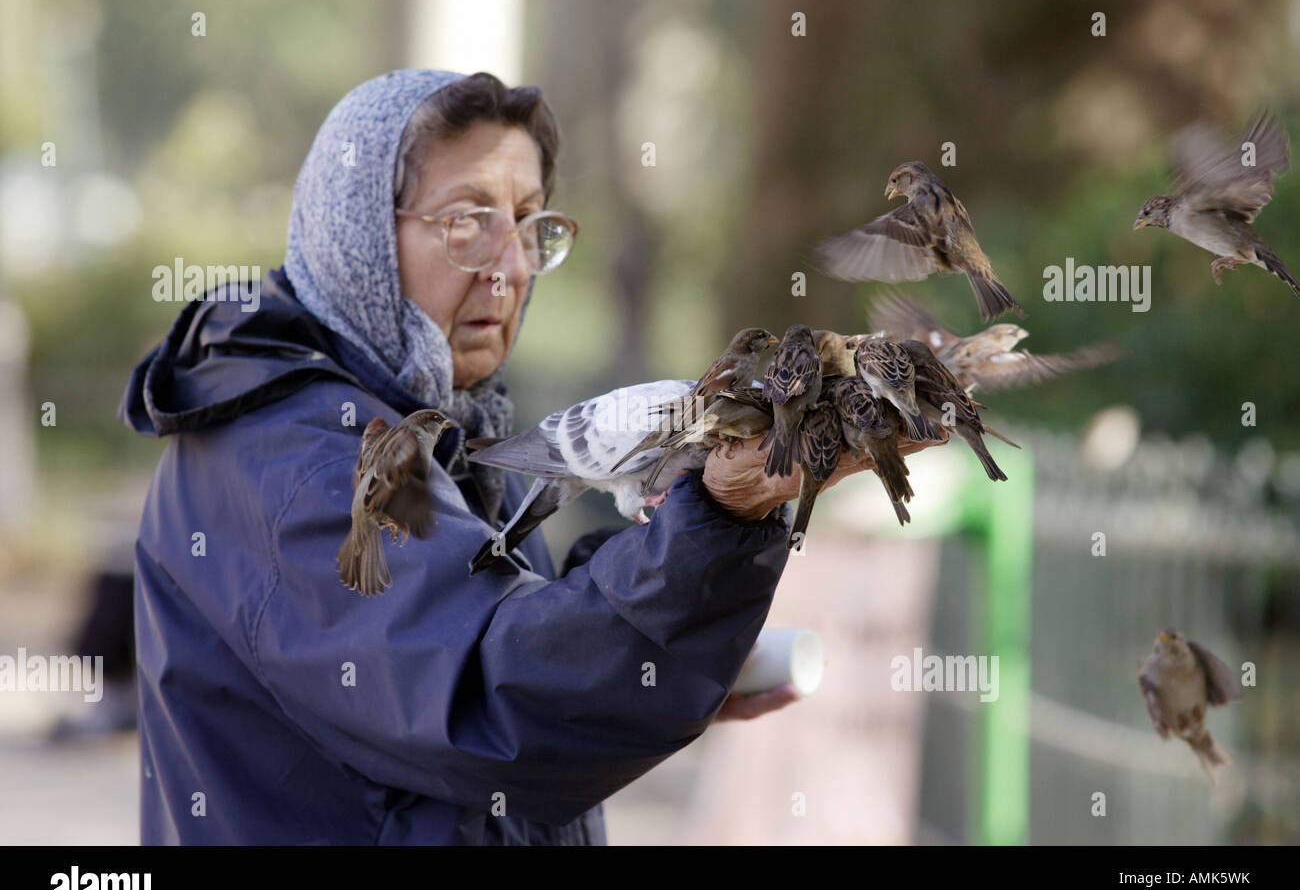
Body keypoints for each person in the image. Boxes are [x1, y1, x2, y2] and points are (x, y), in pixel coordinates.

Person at [119, 69, 900, 845]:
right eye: (468, 221)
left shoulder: (429, 419)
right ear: (355, 232)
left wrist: (681, 648)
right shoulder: (306, 458)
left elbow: (504, 636)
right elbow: (498, 699)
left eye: (530, 225)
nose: (513, 266)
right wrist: (720, 518)